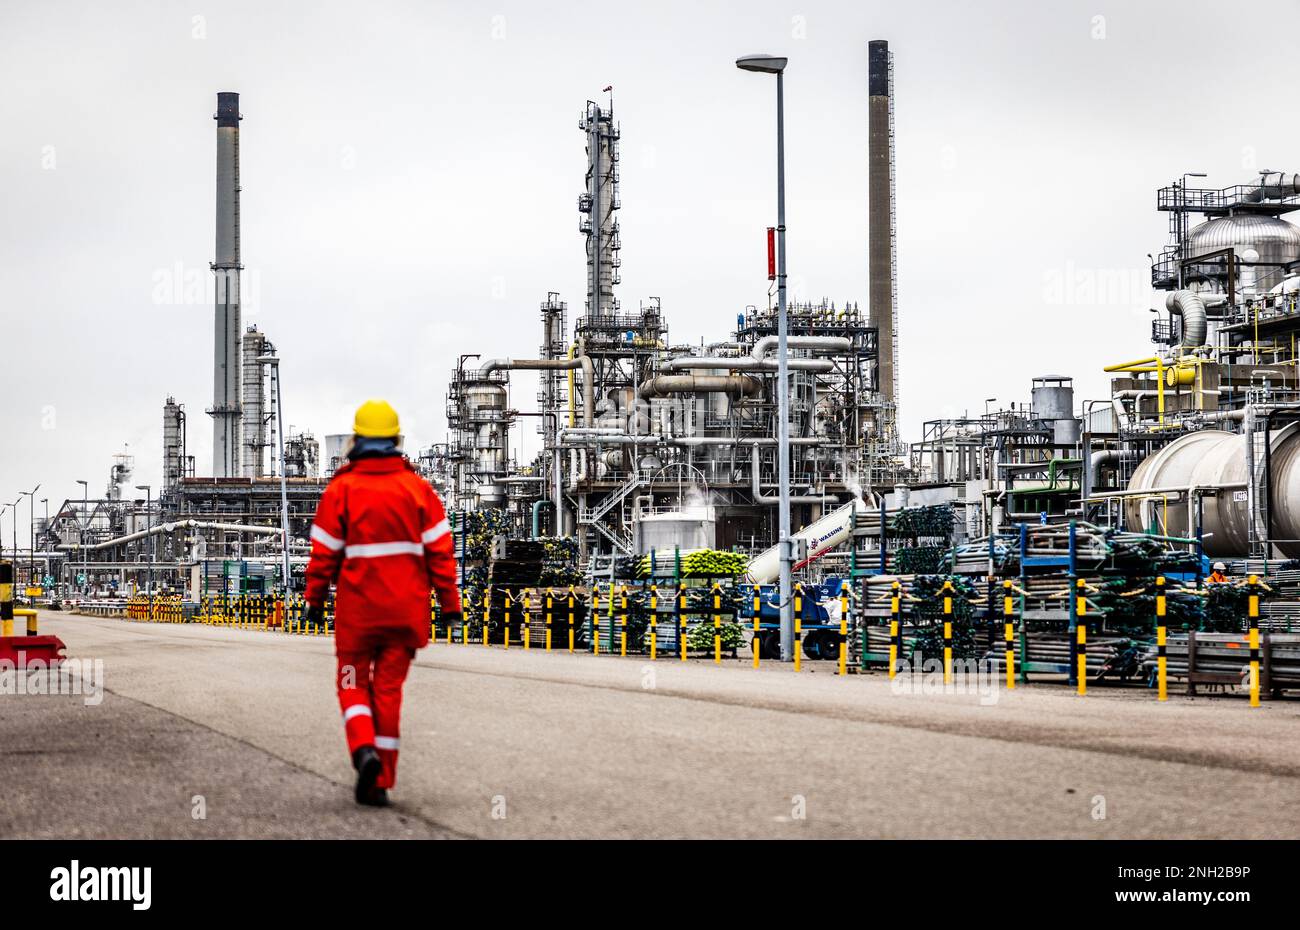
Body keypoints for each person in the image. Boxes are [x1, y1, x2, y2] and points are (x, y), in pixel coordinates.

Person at [305, 399, 462, 806]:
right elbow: (441, 554)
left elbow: (324, 553)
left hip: (358, 615)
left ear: (356, 440)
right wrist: (450, 606)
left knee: (351, 682)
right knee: (389, 690)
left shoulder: (342, 490)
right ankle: (382, 780)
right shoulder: (419, 491)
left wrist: (314, 599)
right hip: (405, 614)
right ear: (396, 440)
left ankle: (364, 750)